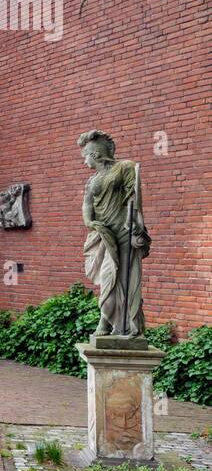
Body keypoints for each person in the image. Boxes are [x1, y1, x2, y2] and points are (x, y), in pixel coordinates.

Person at [78, 130, 149, 337]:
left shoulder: (124, 167)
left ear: (96, 155)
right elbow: (87, 206)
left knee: (123, 280)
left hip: (124, 233)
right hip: (104, 236)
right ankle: (107, 323)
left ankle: (115, 325)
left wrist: (136, 223)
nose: (84, 162)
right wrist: (90, 222)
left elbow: (133, 197)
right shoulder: (91, 181)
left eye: (85, 157)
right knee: (108, 278)